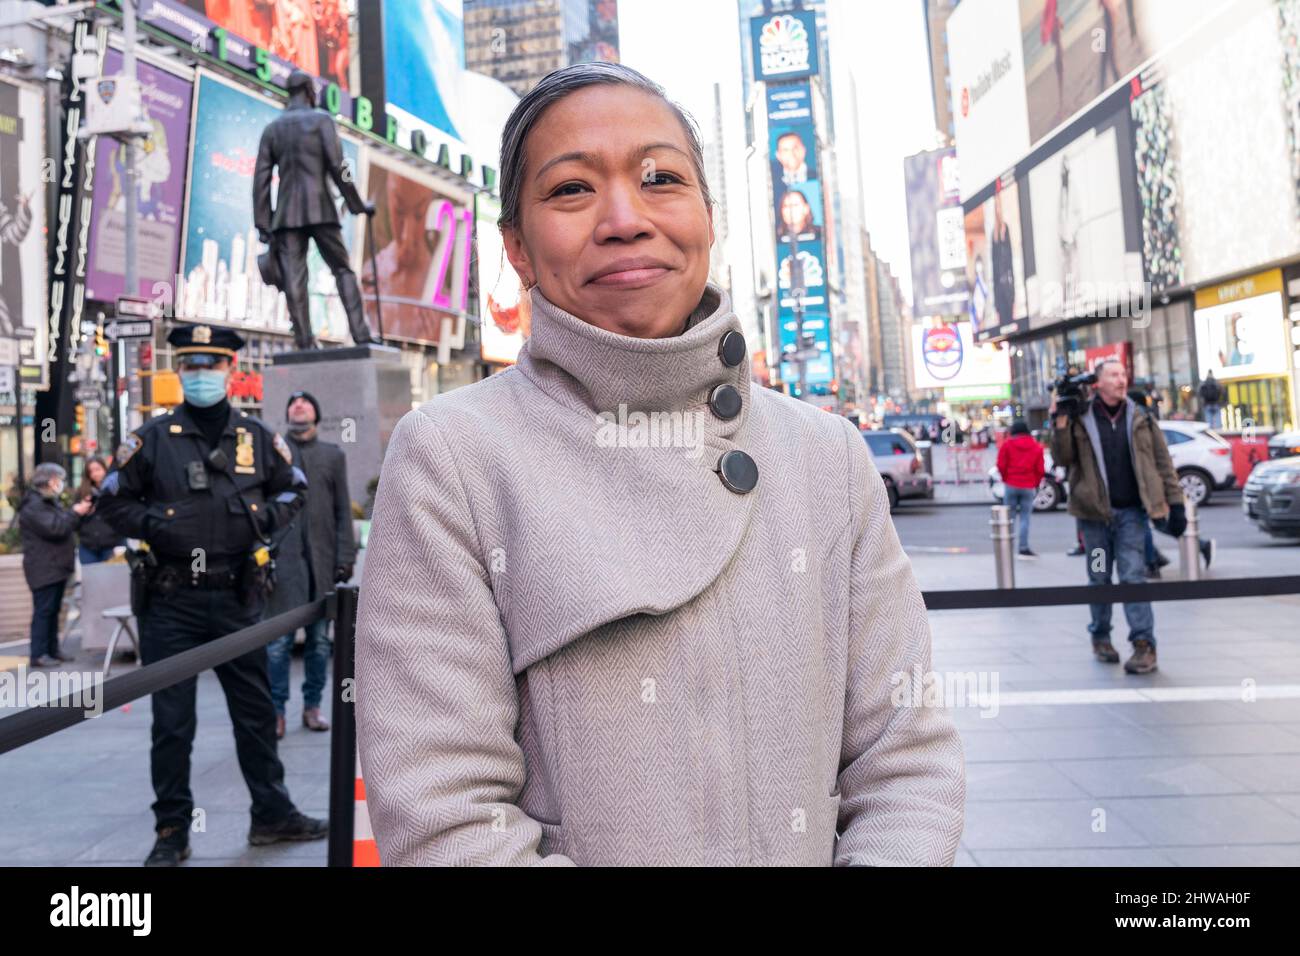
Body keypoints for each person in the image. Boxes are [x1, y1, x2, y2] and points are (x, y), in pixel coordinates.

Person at [354, 62, 965, 867]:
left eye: (660, 179)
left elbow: (906, 757)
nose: (624, 218)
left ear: (709, 219)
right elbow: (445, 817)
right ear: (517, 248)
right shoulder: (453, 457)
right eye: (571, 190)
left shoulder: (825, 456)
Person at [96, 323, 327, 866]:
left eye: (211, 365)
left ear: (230, 370)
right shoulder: (152, 438)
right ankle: (172, 831)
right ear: (179, 371)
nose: (201, 375)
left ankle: (272, 814)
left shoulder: (253, 436)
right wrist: (158, 523)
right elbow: (111, 500)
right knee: (172, 724)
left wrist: (262, 521)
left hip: (237, 597)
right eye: (191, 365)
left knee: (255, 713)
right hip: (171, 600)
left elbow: (295, 487)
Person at [1050, 358, 1183, 674]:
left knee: (1133, 577)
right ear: (1098, 382)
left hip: (1131, 516)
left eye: (1123, 374)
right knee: (1098, 576)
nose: (1121, 380)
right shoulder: (1081, 417)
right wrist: (1060, 420)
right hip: (1093, 518)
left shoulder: (1141, 418)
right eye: (1113, 375)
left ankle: (1143, 645)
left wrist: (1175, 503)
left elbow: (1163, 463)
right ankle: (1101, 637)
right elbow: (1062, 458)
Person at [253, 69, 375, 350]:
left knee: (294, 276)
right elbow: (338, 167)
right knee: (343, 270)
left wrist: (263, 223)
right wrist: (357, 204)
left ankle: (304, 342)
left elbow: (260, 180)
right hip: (321, 209)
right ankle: (361, 335)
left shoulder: (272, 129)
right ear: (310, 91)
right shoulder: (322, 121)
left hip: (286, 216)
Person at [264, 390, 356, 739]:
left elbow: (342, 510)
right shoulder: (274, 453)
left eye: (305, 403)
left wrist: (345, 557)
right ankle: (276, 712)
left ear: (316, 414)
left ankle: (313, 707)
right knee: (277, 646)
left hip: (323, 566)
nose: (298, 406)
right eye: (292, 403)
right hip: (282, 567)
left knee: (319, 644)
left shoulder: (333, 455)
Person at [18, 464, 91, 667]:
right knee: (44, 611)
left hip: (54, 567)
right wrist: (75, 512)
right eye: (59, 479)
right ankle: (39, 654)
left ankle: (52, 649)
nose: (61, 484)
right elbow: (56, 528)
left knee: (53, 611)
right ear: (50, 481)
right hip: (44, 568)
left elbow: (61, 523)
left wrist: (75, 513)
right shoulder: (34, 505)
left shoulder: (47, 502)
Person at [997, 419, 1045, 559]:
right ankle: (1023, 548)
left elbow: (1000, 464)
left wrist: (1006, 478)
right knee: (1025, 518)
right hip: (1028, 485)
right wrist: (1034, 483)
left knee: (1009, 518)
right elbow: (1040, 470)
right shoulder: (1037, 447)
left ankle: (1007, 548)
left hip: (1011, 484)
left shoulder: (1007, 445)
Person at [75, 456, 124, 564]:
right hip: (88, 545)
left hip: (112, 543)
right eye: (91, 471)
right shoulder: (82, 492)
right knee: (91, 579)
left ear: (104, 469)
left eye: (97, 469)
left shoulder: (115, 488)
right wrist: (83, 511)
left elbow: (124, 514)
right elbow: (75, 520)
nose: (95, 474)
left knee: (113, 578)